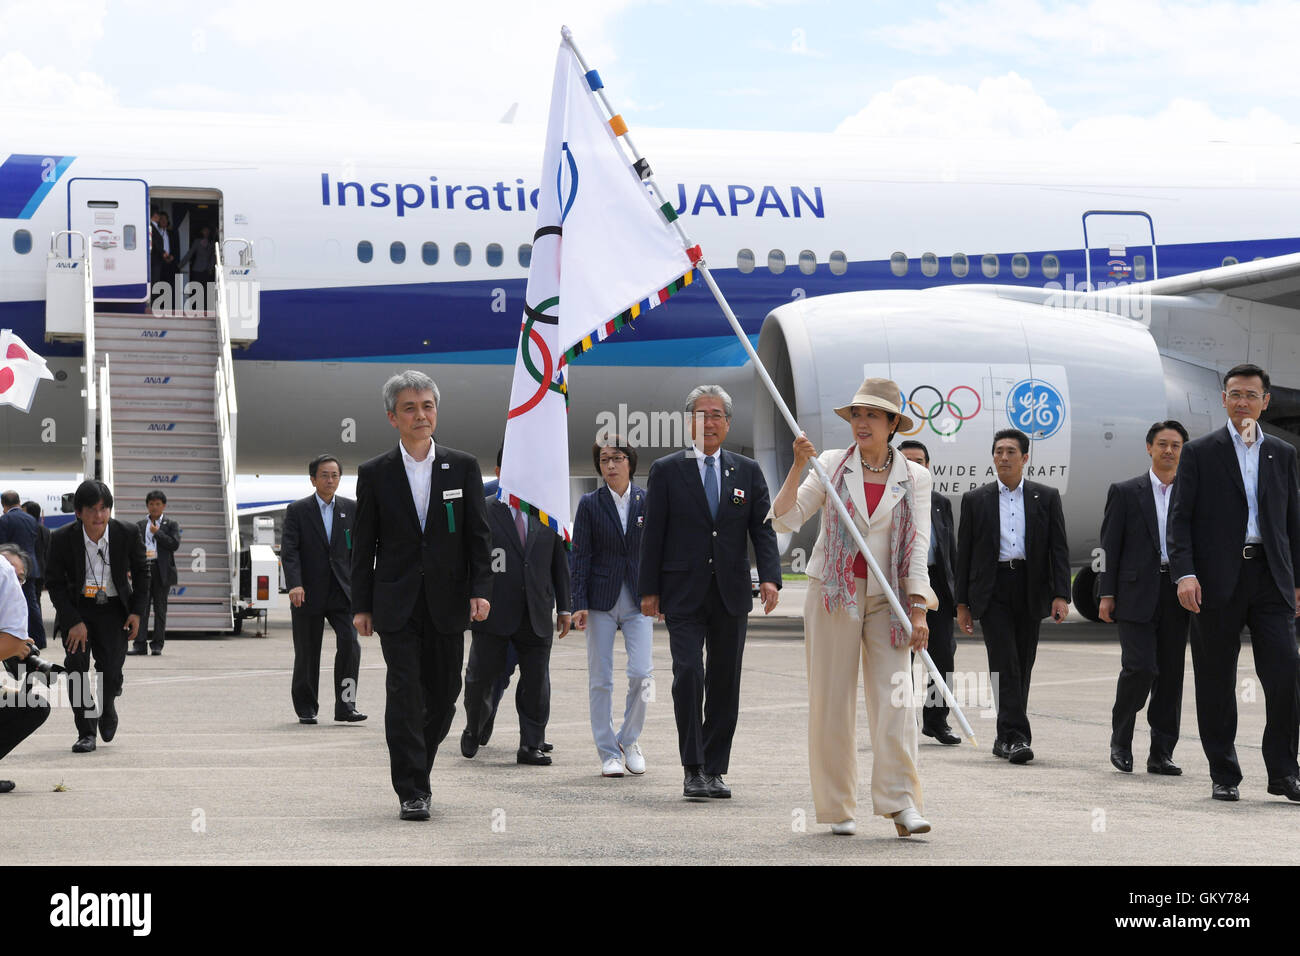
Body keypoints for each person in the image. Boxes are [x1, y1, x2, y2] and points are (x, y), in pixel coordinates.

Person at [771, 379, 936, 837]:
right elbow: (785, 517)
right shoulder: (828, 464)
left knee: (897, 701)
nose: (861, 423)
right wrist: (797, 466)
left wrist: (919, 608)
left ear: (891, 426)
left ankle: (901, 805)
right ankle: (837, 807)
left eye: (872, 416)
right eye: (857, 415)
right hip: (834, 593)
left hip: (891, 599)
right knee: (831, 702)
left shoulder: (915, 477)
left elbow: (917, 546)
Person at [351, 371, 493, 821]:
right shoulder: (375, 473)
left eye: (427, 405)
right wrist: (361, 604)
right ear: (393, 417)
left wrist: (481, 590)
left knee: (446, 693)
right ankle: (412, 789)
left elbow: (478, 537)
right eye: (410, 408)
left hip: (448, 602)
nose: (421, 414)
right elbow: (364, 545)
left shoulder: (463, 466)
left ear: (437, 411)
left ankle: (419, 767)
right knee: (405, 693)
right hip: (396, 603)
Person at [639, 385, 781, 801]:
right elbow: (653, 534)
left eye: (717, 414)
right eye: (701, 414)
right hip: (681, 592)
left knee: (725, 683)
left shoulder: (747, 471)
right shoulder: (667, 470)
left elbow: (763, 528)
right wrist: (649, 590)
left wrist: (770, 576)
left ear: (728, 423)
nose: (710, 422)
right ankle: (692, 767)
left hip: (731, 593)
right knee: (688, 674)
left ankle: (715, 769)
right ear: (689, 422)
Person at [1168, 363, 1300, 803]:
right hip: (1214, 582)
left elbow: (1293, 523)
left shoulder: (1282, 453)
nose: (1242, 402)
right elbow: (1179, 519)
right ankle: (1223, 772)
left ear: (1265, 402)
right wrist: (1184, 573)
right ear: (1223, 399)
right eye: (1234, 394)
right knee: (1215, 678)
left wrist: (1296, 580)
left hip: (1270, 579)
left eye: (1251, 395)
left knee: (1285, 676)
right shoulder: (1201, 452)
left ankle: (1283, 772)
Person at [955, 429, 1070, 765]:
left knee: (1022, 663)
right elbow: (965, 555)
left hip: (1031, 588)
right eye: (998, 451)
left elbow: (1058, 549)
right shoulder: (976, 500)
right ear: (992, 457)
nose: (1003, 457)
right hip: (993, 590)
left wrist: (1061, 593)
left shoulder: (1046, 497)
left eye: (1010, 452)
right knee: (1004, 662)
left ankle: (1004, 738)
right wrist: (962, 603)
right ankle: (1018, 738)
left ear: (1025, 458)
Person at [461, 447, 571, 766]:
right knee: (480, 680)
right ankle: (475, 725)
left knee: (536, 683)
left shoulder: (547, 514)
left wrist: (565, 607)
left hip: (536, 612)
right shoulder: (483, 511)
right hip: (492, 612)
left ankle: (531, 744)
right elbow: (469, 562)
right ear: (499, 472)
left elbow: (558, 563)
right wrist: (468, 599)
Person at [1099, 421, 1190, 776]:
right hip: (1135, 593)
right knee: (1140, 669)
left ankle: (1161, 753)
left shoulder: (1193, 491)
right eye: (1162, 444)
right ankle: (1121, 740)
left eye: (1176, 445)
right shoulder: (1125, 491)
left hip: (1178, 592)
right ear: (1149, 448)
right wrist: (1106, 593)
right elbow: (1109, 546)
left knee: (1170, 675)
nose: (1169, 451)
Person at [570, 434, 653, 777]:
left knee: (642, 674)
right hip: (601, 600)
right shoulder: (590, 504)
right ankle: (608, 752)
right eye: (604, 460)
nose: (611, 465)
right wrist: (578, 602)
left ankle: (629, 739)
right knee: (601, 679)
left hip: (638, 599)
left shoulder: (647, 502)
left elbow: (656, 551)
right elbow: (581, 555)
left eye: (617, 458)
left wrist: (659, 594)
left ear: (630, 462)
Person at [45, 480, 148, 754]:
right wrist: (72, 621)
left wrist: (137, 612)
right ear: (78, 512)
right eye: (92, 510)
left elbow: (142, 573)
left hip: (114, 610)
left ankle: (109, 705)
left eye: (104, 509)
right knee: (77, 667)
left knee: (111, 672)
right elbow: (53, 583)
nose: (99, 516)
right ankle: (86, 732)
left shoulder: (127, 533)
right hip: (78, 610)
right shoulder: (62, 538)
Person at [282, 455, 365, 725]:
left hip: (342, 591)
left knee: (350, 644)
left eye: (335, 475)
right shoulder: (297, 510)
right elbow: (290, 550)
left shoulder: (352, 509)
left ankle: (346, 705)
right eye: (324, 475)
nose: (330, 480)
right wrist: (294, 583)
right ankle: (306, 707)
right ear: (313, 479)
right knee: (307, 651)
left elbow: (359, 552)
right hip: (307, 591)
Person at [899, 439, 961, 746]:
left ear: (928, 465)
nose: (914, 466)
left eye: (919, 461)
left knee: (944, 658)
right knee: (901, 660)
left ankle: (936, 721)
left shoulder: (940, 502)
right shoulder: (890, 499)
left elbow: (950, 551)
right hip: (901, 588)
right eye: (906, 460)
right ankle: (903, 722)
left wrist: (959, 595)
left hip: (936, 586)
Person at [0, 547, 49, 795]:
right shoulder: (2, 573)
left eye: (21, 577)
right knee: (34, 707)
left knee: (29, 704)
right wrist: (11, 644)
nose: (16, 580)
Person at [130, 490, 180, 656]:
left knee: (160, 609)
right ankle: (139, 644)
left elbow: (174, 544)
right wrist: (129, 568)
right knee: (141, 608)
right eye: (151, 504)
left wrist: (156, 532)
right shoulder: (139, 525)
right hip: (144, 569)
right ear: (147, 506)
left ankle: (157, 644)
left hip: (161, 570)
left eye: (158, 504)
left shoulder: (171, 524)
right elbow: (133, 550)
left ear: (163, 506)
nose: (154, 507)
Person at [0, 491, 45, 649]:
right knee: (31, 604)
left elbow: (3, 546)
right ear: (19, 502)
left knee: (11, 605)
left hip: (10, 568)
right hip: (29, 567)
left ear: (4, 505)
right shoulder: (31, 520)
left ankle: (15, 638)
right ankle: (39, 639)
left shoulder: (4, 520)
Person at [20, 502, 50, 618]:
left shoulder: (26, 529)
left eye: (24, 512)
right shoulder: (45, 530)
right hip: (41, 571)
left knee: (29, 601)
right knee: (36, 600)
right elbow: (48, 552)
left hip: (29, 571)